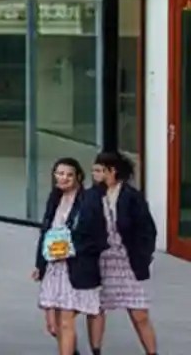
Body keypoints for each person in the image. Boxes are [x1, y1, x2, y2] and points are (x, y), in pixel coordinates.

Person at [33, 157, 107, 355]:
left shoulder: (89, 201)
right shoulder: (54, 197)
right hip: (54, 267)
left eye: (69, 174)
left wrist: (72, 248)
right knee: (55, 325)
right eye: (59, 173)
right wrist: (39, 265)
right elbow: (46, 232)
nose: (63, 178)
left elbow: (99, 237)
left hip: (76, 265)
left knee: (66, 321)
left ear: (78, 177)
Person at [88, 151, 159, 355]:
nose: (95, 174)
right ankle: (96, 350)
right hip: (100, 259)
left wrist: (144, 255)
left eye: (99, 170)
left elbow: (147, 229)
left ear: (112, 171)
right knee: (96, 308)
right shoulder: (92, 195)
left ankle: (152, 352)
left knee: (139, 312)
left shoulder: (131, 196)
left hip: (126, 259)